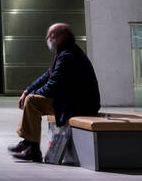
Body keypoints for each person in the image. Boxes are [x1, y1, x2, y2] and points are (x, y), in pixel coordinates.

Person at [10, 23, 100, 162]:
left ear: (63, 37)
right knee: (31, 98)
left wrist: (32, 95)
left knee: (33, 101)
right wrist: (27, 90)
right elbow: (47, 76)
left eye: (51, 35)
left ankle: (31, 147)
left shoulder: (68, 55)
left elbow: (53, 86)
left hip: (81, 105)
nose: (47, 38)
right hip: (71, 100)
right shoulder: (65, 52)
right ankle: (29, 144)